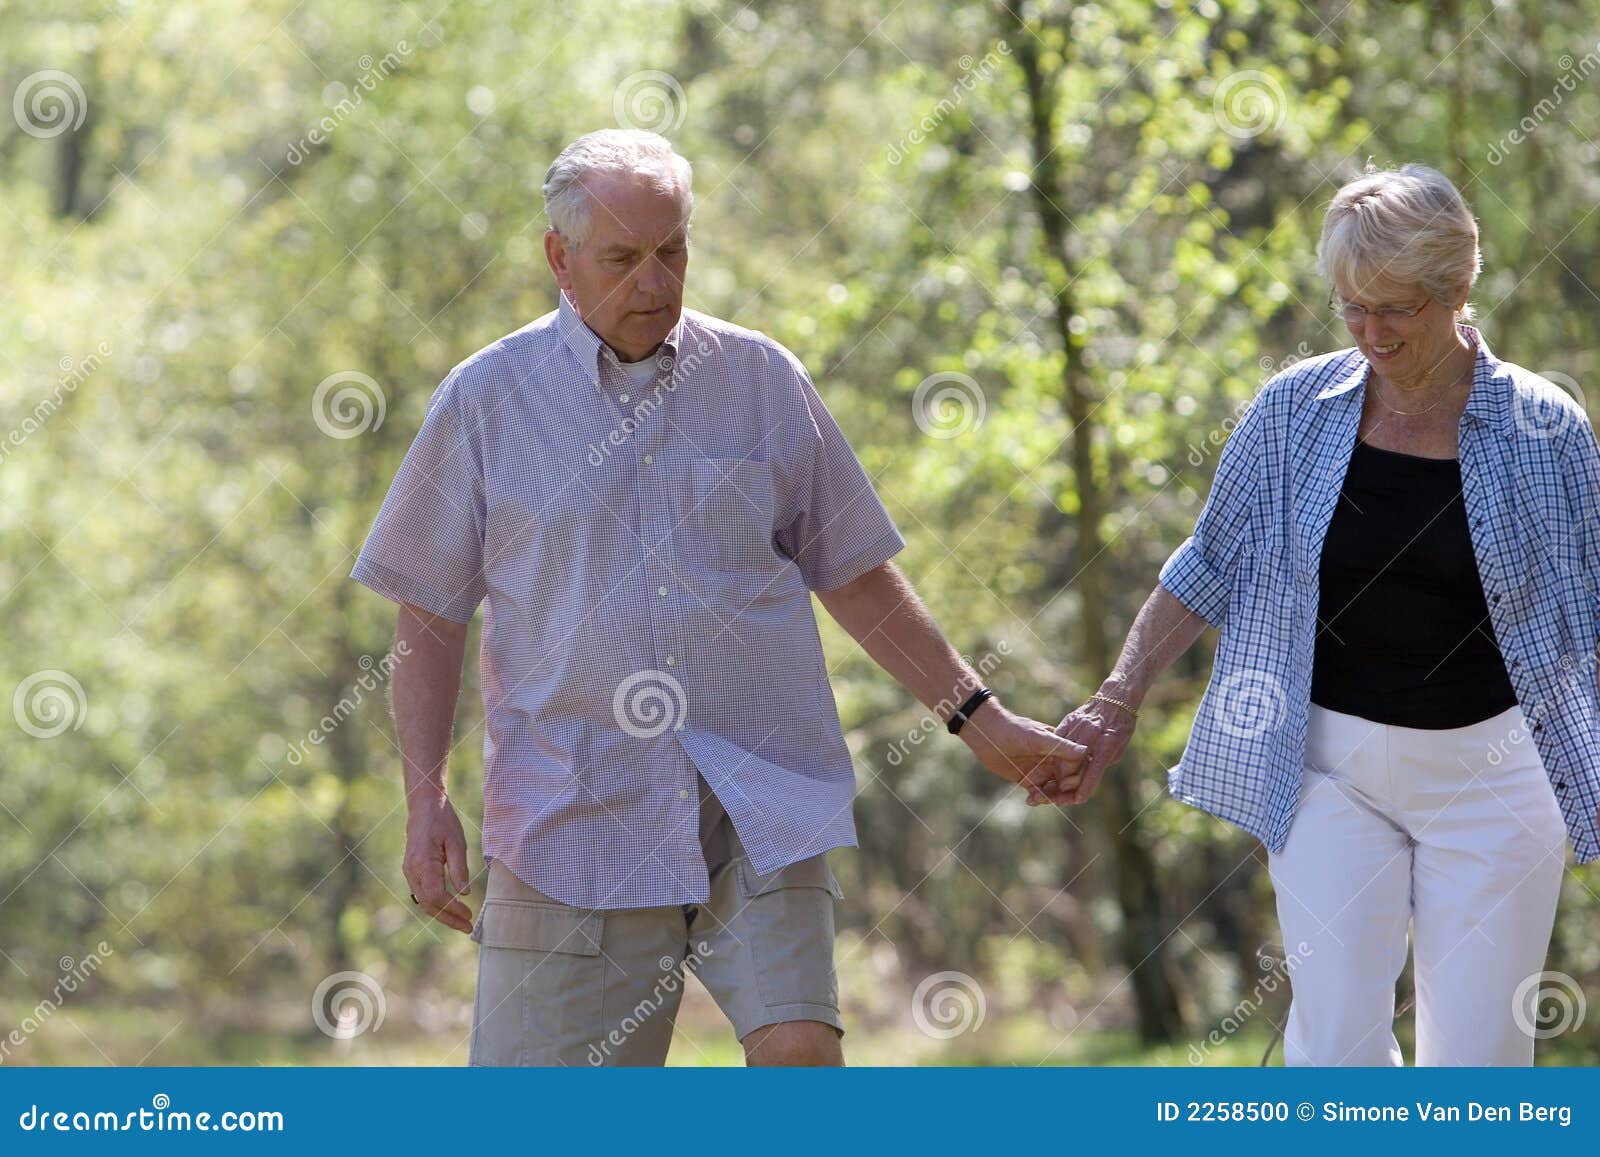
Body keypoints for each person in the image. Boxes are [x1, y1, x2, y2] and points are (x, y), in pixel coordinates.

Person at [351, 129, 1085, 1067]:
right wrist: (424, 798)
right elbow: (429, 614)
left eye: (674, 251)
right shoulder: (485, 401)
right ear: (558, 258)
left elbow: (855, 573)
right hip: (571, 813)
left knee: (800, 1063)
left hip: (760, 796)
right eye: (623, 258)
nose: (655, 282)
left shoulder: (762, 381)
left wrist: (980, 719)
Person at [1035, 163, 1600, 1065]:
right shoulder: (1295, 409)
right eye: (1351, 307)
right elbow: (1207, 563)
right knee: (1333, 1047)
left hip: (1495, 776)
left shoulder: (1546, 427)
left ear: (1457, 289)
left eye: (1397, 308)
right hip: (1329, 767)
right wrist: (1115, 701)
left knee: (1480, 1063)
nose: (1371, 331)